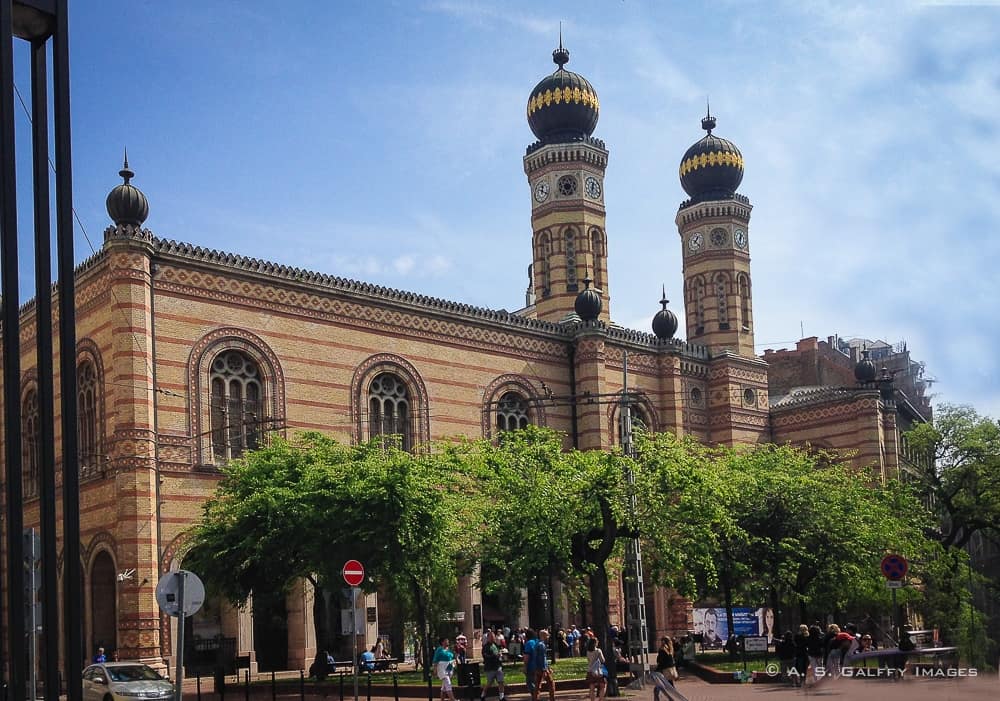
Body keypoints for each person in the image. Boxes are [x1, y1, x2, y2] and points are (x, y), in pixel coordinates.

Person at [480, 629, 505, 701]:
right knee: (490, 683)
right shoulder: (485, 647)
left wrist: (500, 655)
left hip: (498, 666)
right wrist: (495, 656)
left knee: (501, 681)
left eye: (493, 637)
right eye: (491, 637)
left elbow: (498, 653)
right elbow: (485, 657)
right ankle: (483, 695)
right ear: (488, 638)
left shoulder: (495, 645)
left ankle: (501, 697)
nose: (493, 638)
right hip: (490, 667)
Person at [531, 629, 555, 701]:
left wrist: (548, 667)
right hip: (542, 668)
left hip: (537, 668)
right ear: (544, 636)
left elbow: (537, 658)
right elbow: (542, 658)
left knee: (537, 686)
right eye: (547, 635)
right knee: (551, 683)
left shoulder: (537, 643)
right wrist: (545, 669)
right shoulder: (541, 645)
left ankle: (536, 699)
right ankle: (552, 699)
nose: (548, 637)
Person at [585, 637, 607, 701]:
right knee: (603, 685)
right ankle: (600, 699)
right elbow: (602, 660)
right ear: (595, 643)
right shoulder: (598, 650)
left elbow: (588, 660)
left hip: (590, 670)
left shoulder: (588, 651)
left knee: (592, 687)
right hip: (598, 670)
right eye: (597, 642)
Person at [522, 629, 538, 697]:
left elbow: (527, 656)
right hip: (538, 666)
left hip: (531, 666)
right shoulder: (537, 641)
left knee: (530, 683)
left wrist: (525, 666)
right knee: (536, 683)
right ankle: (536, 696)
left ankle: (535, 697)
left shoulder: (528, 643)